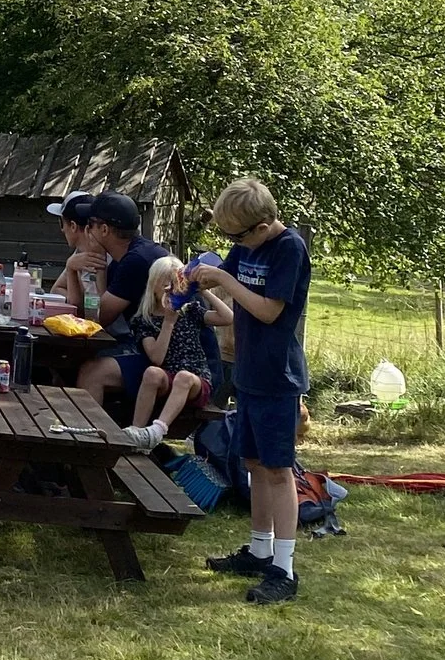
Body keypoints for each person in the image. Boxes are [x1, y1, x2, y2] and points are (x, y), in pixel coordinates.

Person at [187, 178, 312, 605]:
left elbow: (266, 309)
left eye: (235, 237)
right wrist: (195, 281)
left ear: (262, 226)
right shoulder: (246, 245)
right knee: (253, 463)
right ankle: (259, 550)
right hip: (249, 375)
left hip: (278, 377)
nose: (232, 245)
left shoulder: (288, 249)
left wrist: (223, 276)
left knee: (278, 471)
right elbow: (225, 279)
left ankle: (284, 568)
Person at [68, 191, 166, 410]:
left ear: (104, 230)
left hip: (175, 358)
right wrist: (93, 266)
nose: (87, 230)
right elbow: (98, 314)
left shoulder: (136, 262)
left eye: (90, 224)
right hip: (153, 347)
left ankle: (86, 439)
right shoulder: (133, 255)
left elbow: (98, 320)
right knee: (76, 361)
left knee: (91, 372)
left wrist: (75, 268)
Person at [128, 256, 224, 450]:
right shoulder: (145, 319)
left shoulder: (190, 310)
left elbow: (226, 317)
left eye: (175, 284)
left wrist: (203, 291)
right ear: (153, 287)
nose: (169, 290)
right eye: (164, 285)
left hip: (196, 380)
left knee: (184, 377)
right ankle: (136, 432)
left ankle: (157, 430)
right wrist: (168, 323)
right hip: (168, 374)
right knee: (151, 373)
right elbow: (156, 358)